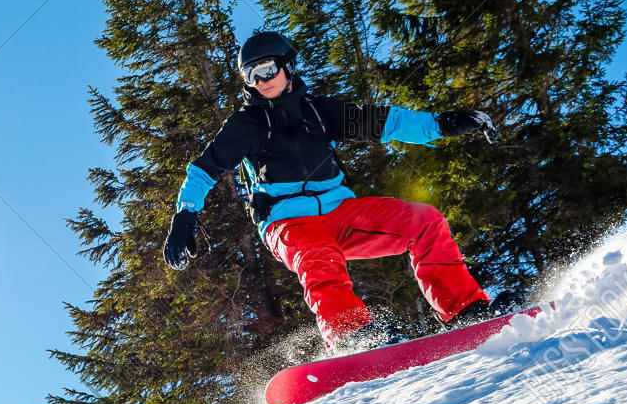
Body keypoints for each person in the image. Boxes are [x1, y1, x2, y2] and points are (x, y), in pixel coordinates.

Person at [162, 30, 521, 350]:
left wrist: (444, 124)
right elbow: (203, 170)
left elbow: (388, 122)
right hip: (288, 222)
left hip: (341, 212)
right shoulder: (245, 124)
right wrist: (184, 216)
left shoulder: (320, 113)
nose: (260, 81)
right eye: (250, 75)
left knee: (424, 221)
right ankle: (352, 335)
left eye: (267, 69)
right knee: (317, 255)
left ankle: (466, 310)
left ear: (287, 66)